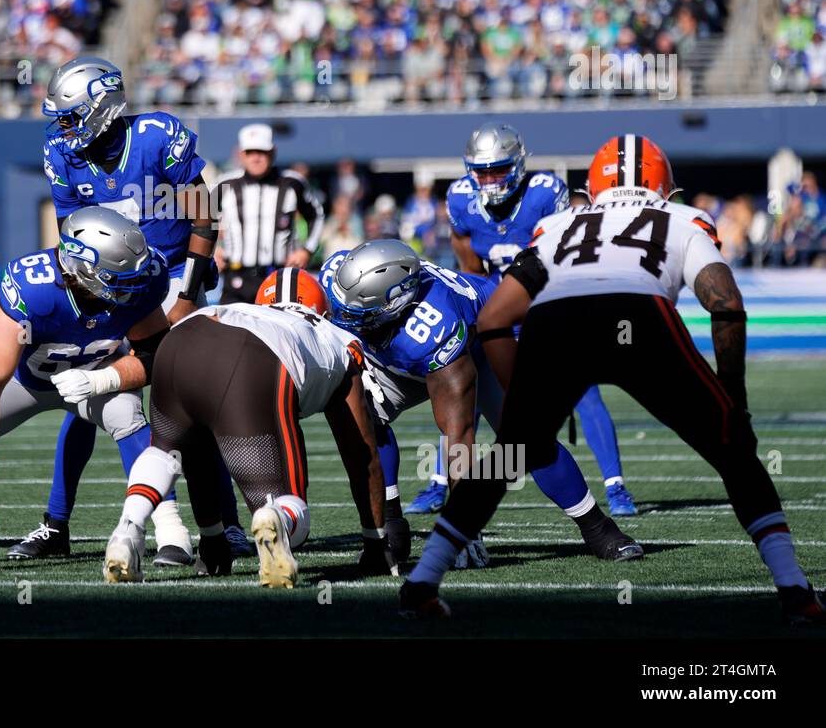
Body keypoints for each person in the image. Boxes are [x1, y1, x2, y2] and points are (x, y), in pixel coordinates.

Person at [400, 135, 824, 625]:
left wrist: (520, 406)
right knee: (733, 450)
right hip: (638, 314)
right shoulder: (681, 219)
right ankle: (794, 589)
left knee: (507, 456)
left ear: (595, 186)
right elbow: (726, 302)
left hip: (560, 321)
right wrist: (734, 400)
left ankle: (422, 583)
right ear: (662, 185)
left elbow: (494, 316)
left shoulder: (561, 224)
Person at [19, 55, 248, 561]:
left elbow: (203, 215)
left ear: (101, 107)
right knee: (86, 401)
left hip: (168, 277)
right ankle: (56, 525)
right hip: (105, 282)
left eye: (72, 114)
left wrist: (187, 295)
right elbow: (69, 235)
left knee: (191, 402)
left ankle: (226, 524)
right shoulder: (61, 152)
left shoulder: (156, 135)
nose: (63, 126)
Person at [0, 208, 193, 567]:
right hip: (24, 379)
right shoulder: (32, 287)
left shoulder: (141, 281)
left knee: (127, 414)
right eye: (118, 278)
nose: (132, 286)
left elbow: (155, 357)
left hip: (91, 378)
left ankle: (171, 530)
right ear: (83, 269)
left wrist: (99, 379)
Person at [322, 239, 642, 569]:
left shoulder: (433, 328)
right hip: (398, 351)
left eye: (358, 313)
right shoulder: (337, 275)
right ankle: (390, 528)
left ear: (396, 302)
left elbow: (458, 434)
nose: (345, 318)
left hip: (482, 342)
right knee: (361, 417)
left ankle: (597, 527)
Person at [401, 123, 637, 517]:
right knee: (464, 387)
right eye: (482, 171)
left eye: (498, 170)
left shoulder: (545, 193)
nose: (490, 180)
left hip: (544, 302)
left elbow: (568, 255)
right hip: (494, 311)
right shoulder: (461, 199)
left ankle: (616, 487)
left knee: (582, 390)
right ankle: (438, 483)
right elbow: (468, 264)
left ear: (518, 164)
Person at [104, 268, 391, 587]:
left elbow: (199, 454)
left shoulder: (244, 309)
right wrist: (376, 542)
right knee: (290, 508)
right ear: (320, 310)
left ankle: (128, 529)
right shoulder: (337, 338)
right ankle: (277, 518)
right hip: (255, 354)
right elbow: (361, 455)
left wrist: (213, 541)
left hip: (181, 339)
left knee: (166, 452)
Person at [214, 123, 324, 303]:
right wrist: (213, 249)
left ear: (273, 152)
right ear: (241, 154)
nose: (256, 158)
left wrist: (306, 250)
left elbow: (316, 215)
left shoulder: (292, 183)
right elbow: (201, 217)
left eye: (261, 152)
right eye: (250, 152)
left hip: (279, 277)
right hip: (236, 279)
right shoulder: (225, 185)